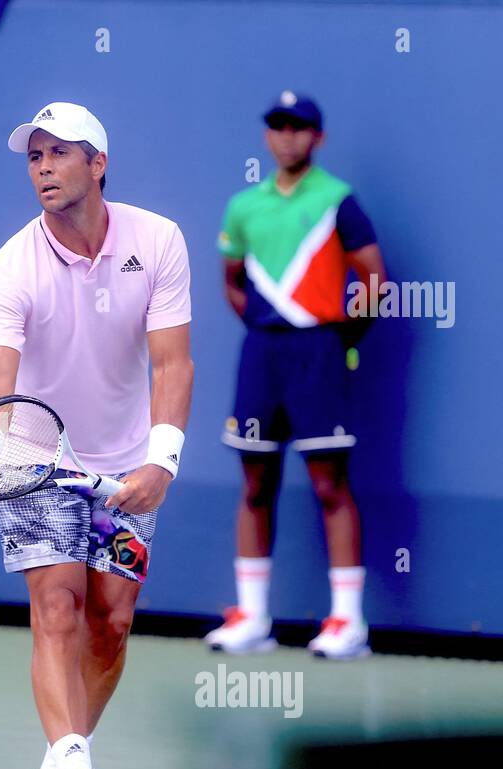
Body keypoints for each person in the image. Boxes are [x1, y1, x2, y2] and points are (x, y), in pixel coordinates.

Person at [0, 102, 194, 769]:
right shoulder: (11, 265)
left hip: (124, 466)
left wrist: (161, 463)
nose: (42, 166)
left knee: (111, 622)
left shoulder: (158, 241)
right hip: (37, 462)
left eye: (58, 153)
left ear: (97, 163)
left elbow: (173, 362)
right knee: (60, 611)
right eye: (33, 156)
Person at [208, 91, 386, 660]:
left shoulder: (339, 201)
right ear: (268, 137)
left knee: (330, 486)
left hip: (320, 355)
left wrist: (339, 339)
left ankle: (347, 622)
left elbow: (374, 280)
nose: (288, 136)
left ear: (318, 138)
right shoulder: (243, 206)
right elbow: (232, 279)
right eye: (279, 127)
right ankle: (254, 617)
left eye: (299, 127)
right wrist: (267, 326)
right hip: (262, 357)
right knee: (255, 484)